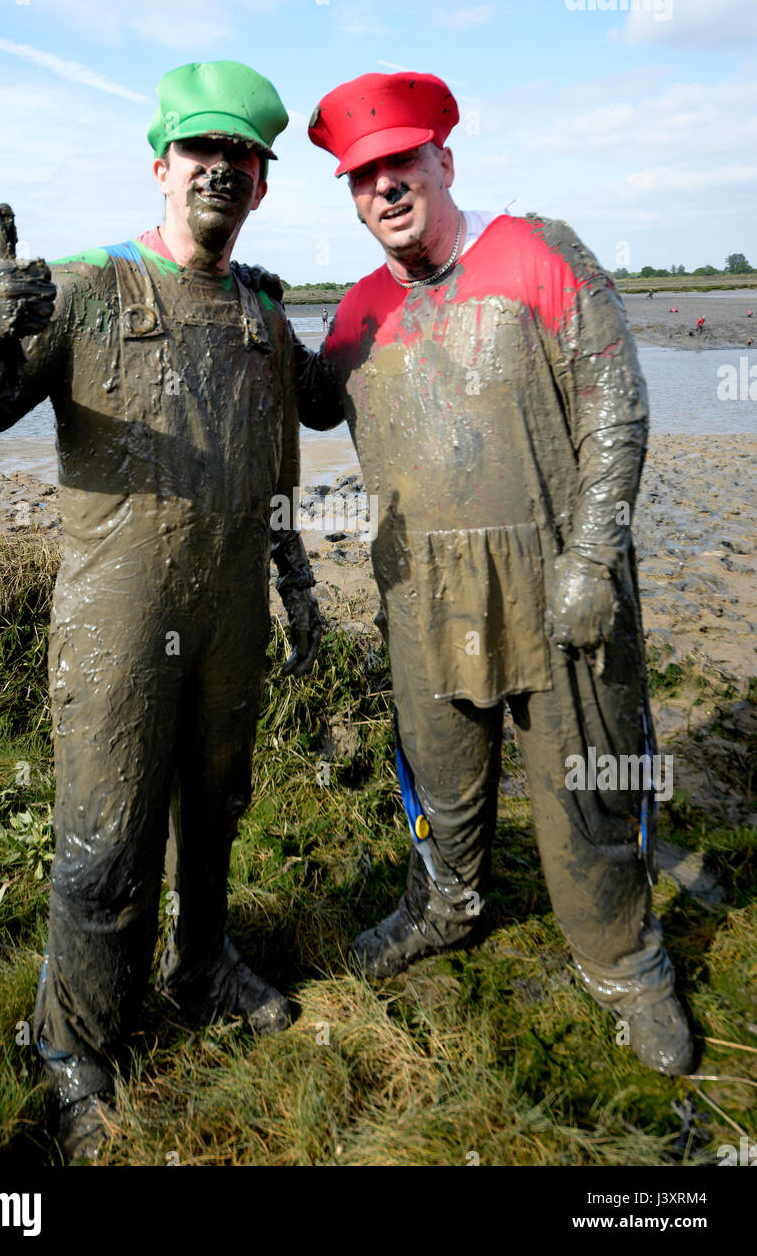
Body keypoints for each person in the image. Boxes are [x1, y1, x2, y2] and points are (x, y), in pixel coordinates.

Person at [0, 60, 322, 1158]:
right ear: (162, 165)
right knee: (104, 839)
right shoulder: (83, 287)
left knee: (217, 803)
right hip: (118, 623)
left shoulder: (262, 314)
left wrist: (299, 586)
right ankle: (75, 1050)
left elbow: (276, 459)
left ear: (263, 185)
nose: (222, 171)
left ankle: (204, 963)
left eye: (244, 157)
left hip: (234, 616)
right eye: (203, 152)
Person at [293, 70, 694, 1076]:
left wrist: (595, 557)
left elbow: (618, 408)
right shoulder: (358, 312)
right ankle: (448, 905)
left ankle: (624, 960)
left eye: (400, 166)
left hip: (560, 578)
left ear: (445, 162)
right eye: (362, 177)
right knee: (443, 780)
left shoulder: (537, 250)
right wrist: (242, 307)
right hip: (424, 596)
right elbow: (303, 400)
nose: (384, 189)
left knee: (587, 791)